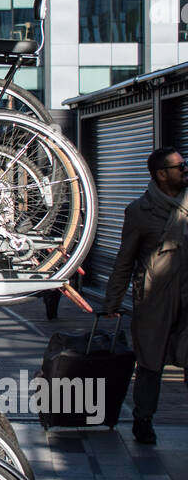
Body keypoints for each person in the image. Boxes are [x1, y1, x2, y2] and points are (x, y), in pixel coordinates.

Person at [104, 145, 188, 445]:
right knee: (150, 364)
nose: (185, 169)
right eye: (179, 166)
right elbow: (125, 258)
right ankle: (143, 419)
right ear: (161, 174)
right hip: (154, 299)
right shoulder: (139, 211)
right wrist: (112, 301)